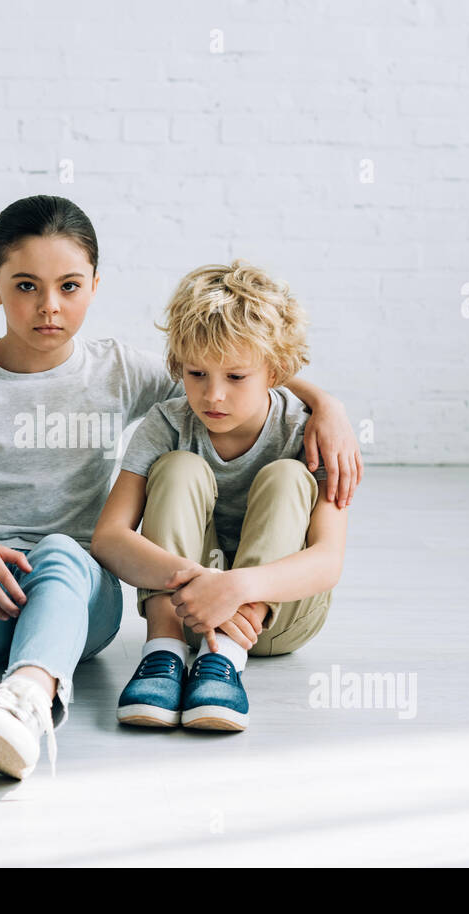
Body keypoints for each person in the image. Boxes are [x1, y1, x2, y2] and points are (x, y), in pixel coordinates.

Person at [0, 199, 361, 780]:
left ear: (94, 286)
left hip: (104, 591)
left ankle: (26, 703)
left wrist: (328, 404)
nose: (49, 306)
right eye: (26, 285)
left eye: (69, 286)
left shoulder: (121, 370)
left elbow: (236, 356)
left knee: (64, 549)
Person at [91, 259, 351, 733]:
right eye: (196, 374)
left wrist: (237, 589)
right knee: (178, 468)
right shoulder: (167, 424)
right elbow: (108, 537)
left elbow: (328, 561)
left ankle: (225, 661)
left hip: (278, 620)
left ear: (274, 370)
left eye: (236, 377)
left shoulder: (306, 430)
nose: (214, 396)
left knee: (289, 476)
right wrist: (198, 582)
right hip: (185, 612)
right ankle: (162, 656)